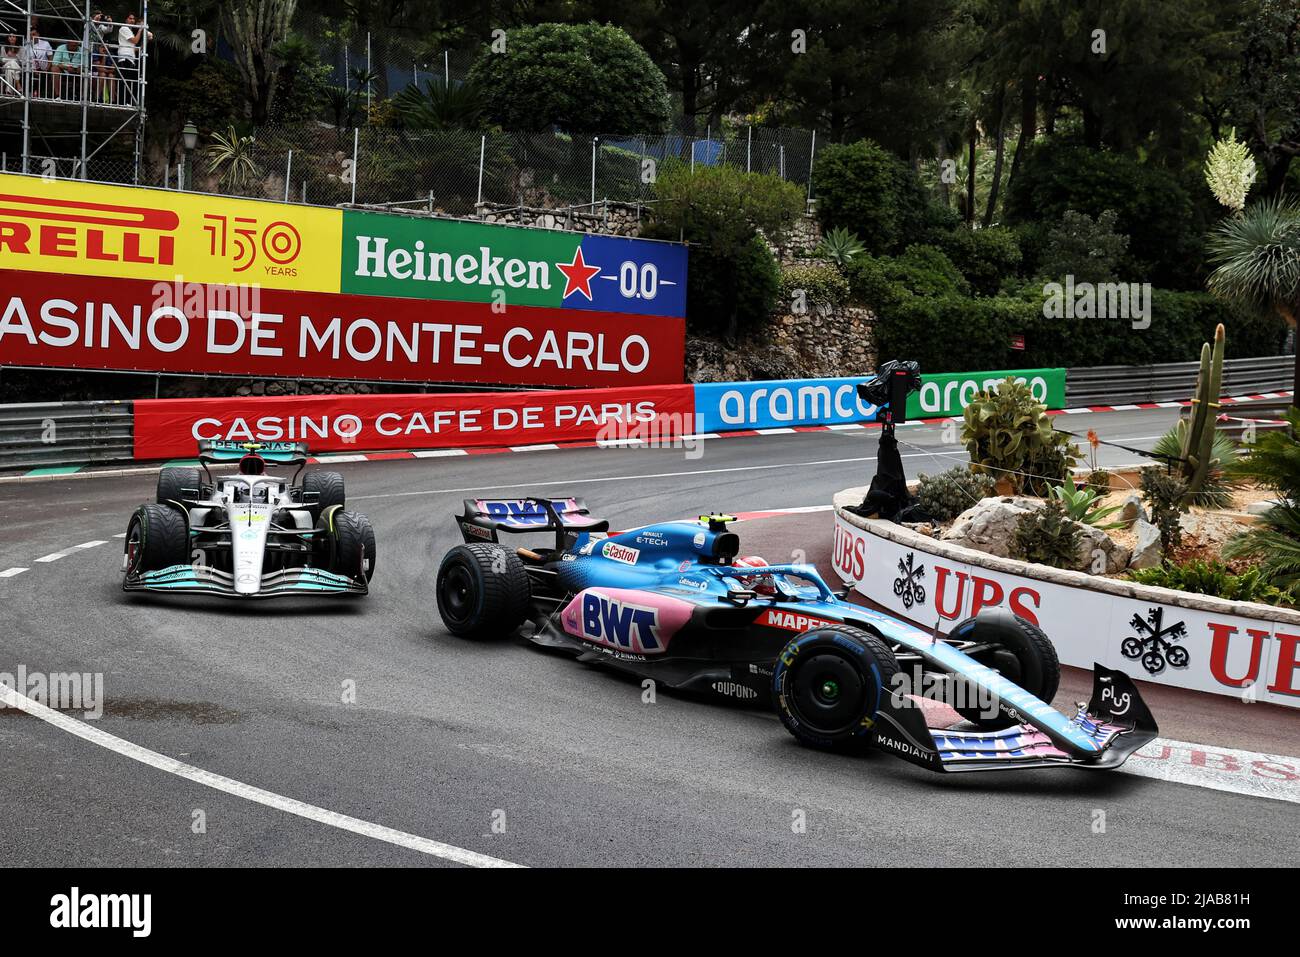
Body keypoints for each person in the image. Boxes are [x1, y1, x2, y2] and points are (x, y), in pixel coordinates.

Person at [115, 11, 150, 100]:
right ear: (126, 19)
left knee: (130, 82)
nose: (132, 20)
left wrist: (146, 40)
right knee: (124, 82)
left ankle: (127, 102)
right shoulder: (124, 28)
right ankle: (123, 102)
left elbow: (135, 48)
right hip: (124, 58)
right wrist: (140, 29)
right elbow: (135, 41)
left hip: (130, 58)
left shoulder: (129, 31)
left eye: (133, 19)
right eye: (130, 18)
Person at [22, 28, 53, 98]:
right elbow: (24, 61)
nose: (32, 36)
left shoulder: (45, 44)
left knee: (43, 78)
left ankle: (40, 95)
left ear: (38, 34)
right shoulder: (26, 46)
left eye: (33, 34)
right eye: (30, 35)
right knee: (27, 74)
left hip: (44, 69)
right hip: (31, 69)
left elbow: (50, 57)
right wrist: (33, 69)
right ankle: (28, 95)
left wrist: (47, 69)